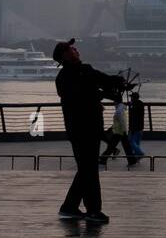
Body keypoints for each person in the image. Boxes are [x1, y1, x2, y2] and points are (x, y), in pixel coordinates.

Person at [53, 38, 131, 224]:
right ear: (64, 55)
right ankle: (93, 210)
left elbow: (102, 80)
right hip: (81, 129)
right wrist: (107, 90)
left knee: (86, 169)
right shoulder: (66, 77)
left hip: (88, 128)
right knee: (89, 170)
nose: (76, 50)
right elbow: (84, 93)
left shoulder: (83, 71)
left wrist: (116, 83)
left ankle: (70, 207)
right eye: (71, 49)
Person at [128, 90, 146, 161]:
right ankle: (136, 156)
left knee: (131, 141)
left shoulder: (135, 106)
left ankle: (140, 153)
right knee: (137, 142)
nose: (131, 98)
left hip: (135, 127)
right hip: (140, 126)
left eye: (132, 97)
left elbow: (132, 115)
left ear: (134, 98)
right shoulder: (140, 104)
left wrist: (130, 106)